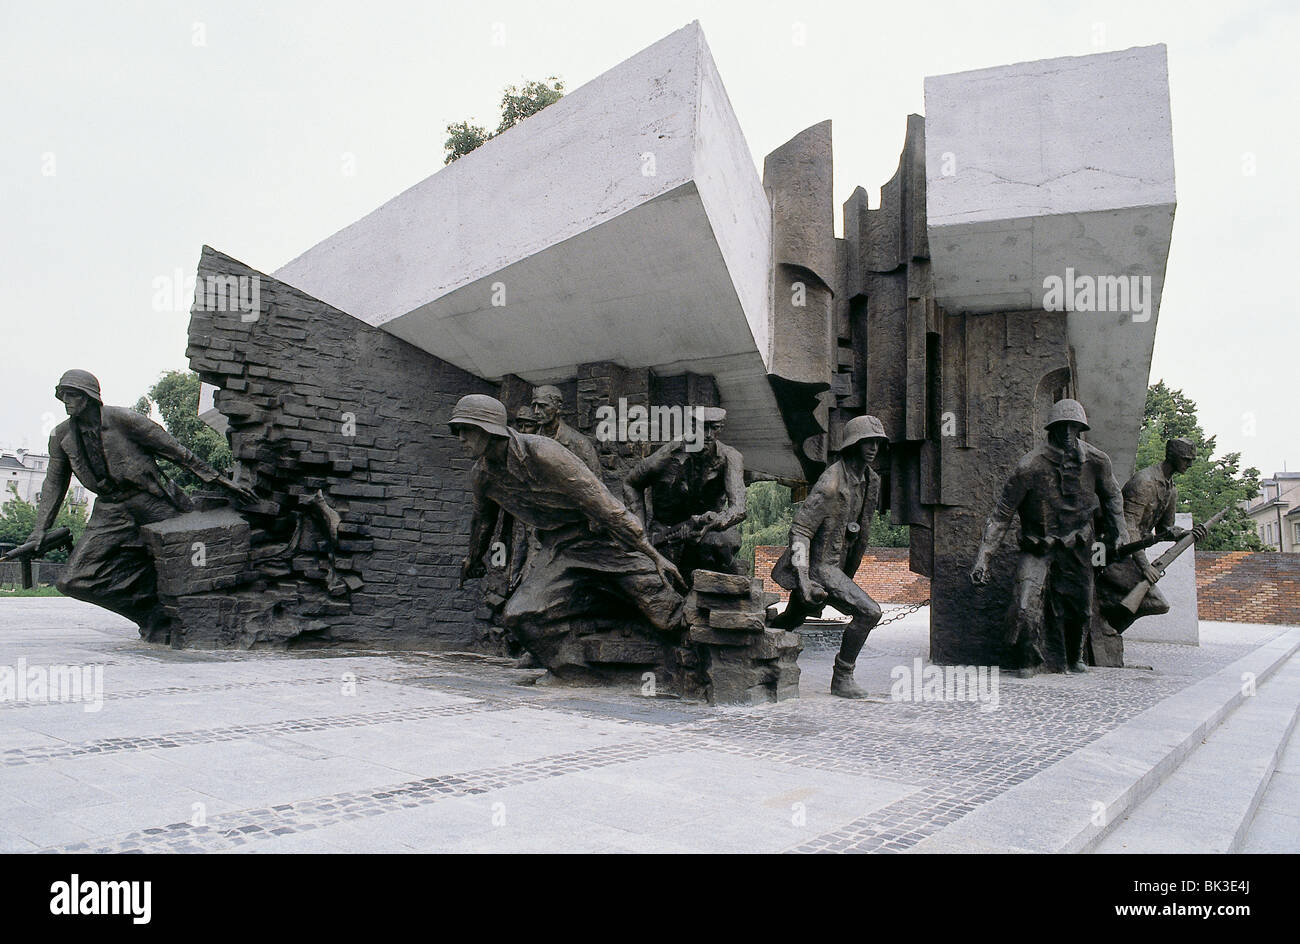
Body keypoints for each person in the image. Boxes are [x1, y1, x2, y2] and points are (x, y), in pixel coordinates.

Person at [452, 395, 684, 665]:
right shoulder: (482, 475)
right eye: (458, 431)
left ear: (487, 429)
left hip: (603, 541)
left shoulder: (543, 453)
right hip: (559, 547)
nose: (460, 438)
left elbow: (604, 504)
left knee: (664, 611)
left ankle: (683, 660)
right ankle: (572, 667)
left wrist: (651, 553)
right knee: (518, 615)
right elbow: (482, 522)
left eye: (466, 430)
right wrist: (473, 558)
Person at [26, 369, 255, 639]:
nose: (66, 400)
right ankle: (152, 613)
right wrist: (40, 530)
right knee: (72, 581)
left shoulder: (125, 420)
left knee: (185, 563)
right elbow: (53, 484)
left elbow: (177, 452)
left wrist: (219, 481)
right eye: (63, 394)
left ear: (89, 397)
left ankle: (195, 614)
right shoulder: (61, 436)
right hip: (110, 509)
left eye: (72, 394)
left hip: (152, 501)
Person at [970, 399, 1127, 675]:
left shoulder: (1097, 461)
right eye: (1061, 427)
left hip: (1078, 545)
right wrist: (984, 557)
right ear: (1050, 429)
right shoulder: (1029, 466)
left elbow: (1113, 496)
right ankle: (1028, 658)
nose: (1067, 433)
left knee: (1082, 607)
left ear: (1080, 428)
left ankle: (1075, 655)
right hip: (1038, 544)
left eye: (1073, 427)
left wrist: (1119, 532)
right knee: (1023, 604)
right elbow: (1001, 515)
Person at [769, 415, 889, 698]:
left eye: (877, 443)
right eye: (866, 442)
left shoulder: (871, 481)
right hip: (820, 568)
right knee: (869, 612)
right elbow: (799, 530)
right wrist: (804, 579)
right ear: (853, 444)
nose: (872, 448)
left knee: (792, 618)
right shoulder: (831, 483)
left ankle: (760, 633)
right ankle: (842, 676)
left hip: (840, 567)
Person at [1095, 437, 1207, 637]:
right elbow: (1129, 528)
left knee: (1156, 604)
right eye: (1186, 459)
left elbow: (1166, 529)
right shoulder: (1144, 481)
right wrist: (1145, 566)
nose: (1190, 464)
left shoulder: (1171, 489)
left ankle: (1107, 628)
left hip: (1130, 555)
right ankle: (1100, 618)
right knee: (1156, 602)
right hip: (1110, 554)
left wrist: (1189, 535)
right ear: (1173, 456)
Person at [622, 406, 747, 578]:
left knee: (725, 542)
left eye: (715, 428)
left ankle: (717, 595)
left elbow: (739, 507)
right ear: (693, 426)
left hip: (703, 528)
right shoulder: (669, 453)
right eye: (704, 427)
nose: (709, 435)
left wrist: (713, 522)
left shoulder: (730, 457)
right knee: (654, 576)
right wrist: (640, 533)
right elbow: (631, 483)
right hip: (665, 530)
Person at [530, 385, 601, 475]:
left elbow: (596, 483)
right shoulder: (531, 440)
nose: (536, 411)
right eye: (534, 406)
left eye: (542, 406)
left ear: (558, 408)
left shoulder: (579, 443)